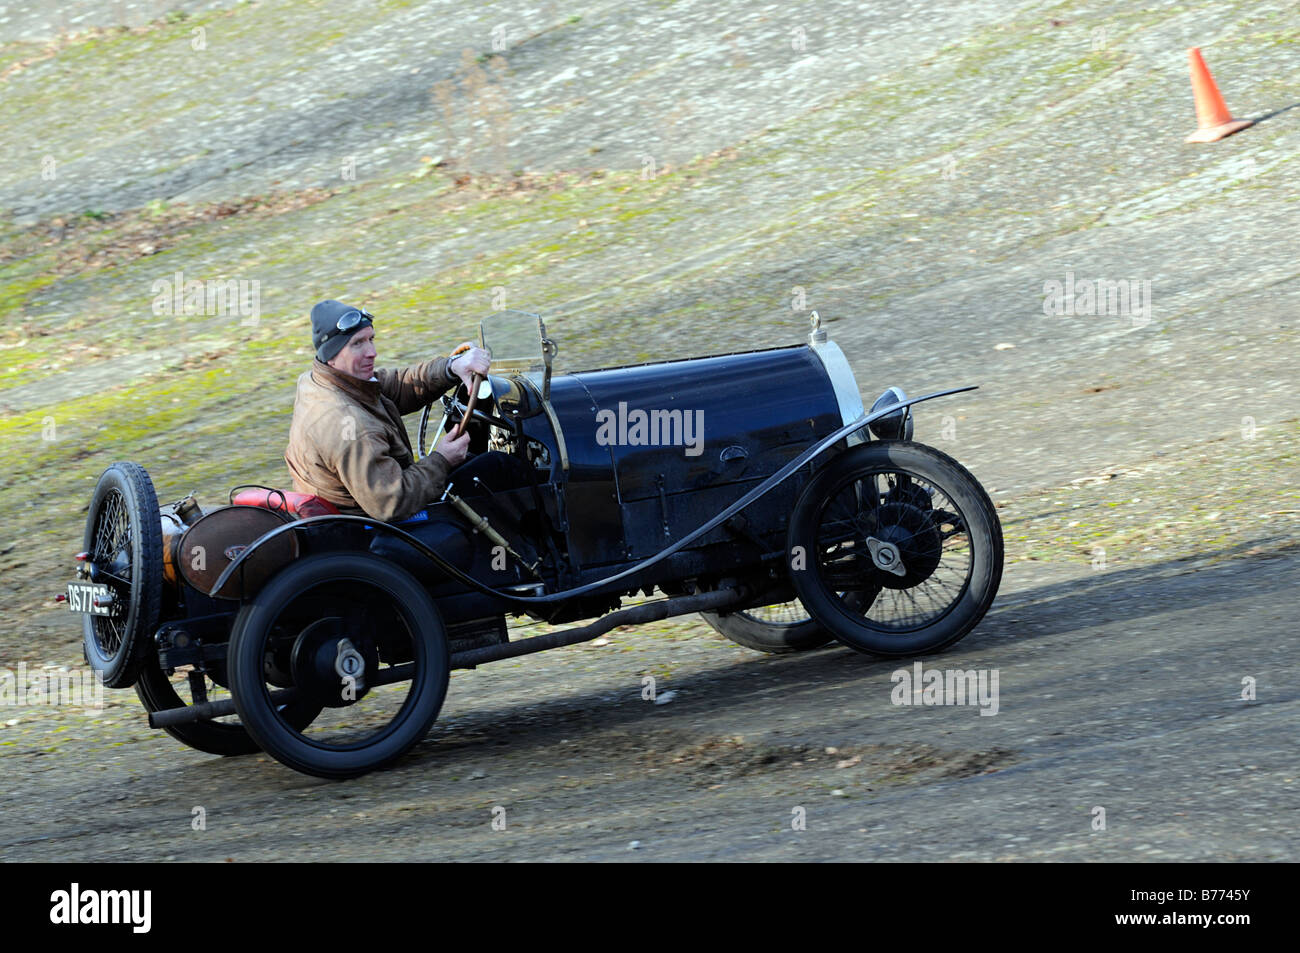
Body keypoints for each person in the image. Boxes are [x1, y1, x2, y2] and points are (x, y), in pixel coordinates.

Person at [285, 299, 524, 524]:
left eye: (371, 339)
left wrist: (452, 367)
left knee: (476, 464)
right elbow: (391, 503)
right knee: (498, 468)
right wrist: (442, 460)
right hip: (379, 532)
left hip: (363, 515)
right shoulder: (348, 424)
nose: (372, 352)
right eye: (357, 343)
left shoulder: (323, 381)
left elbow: (398, 385)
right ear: (332, 355)